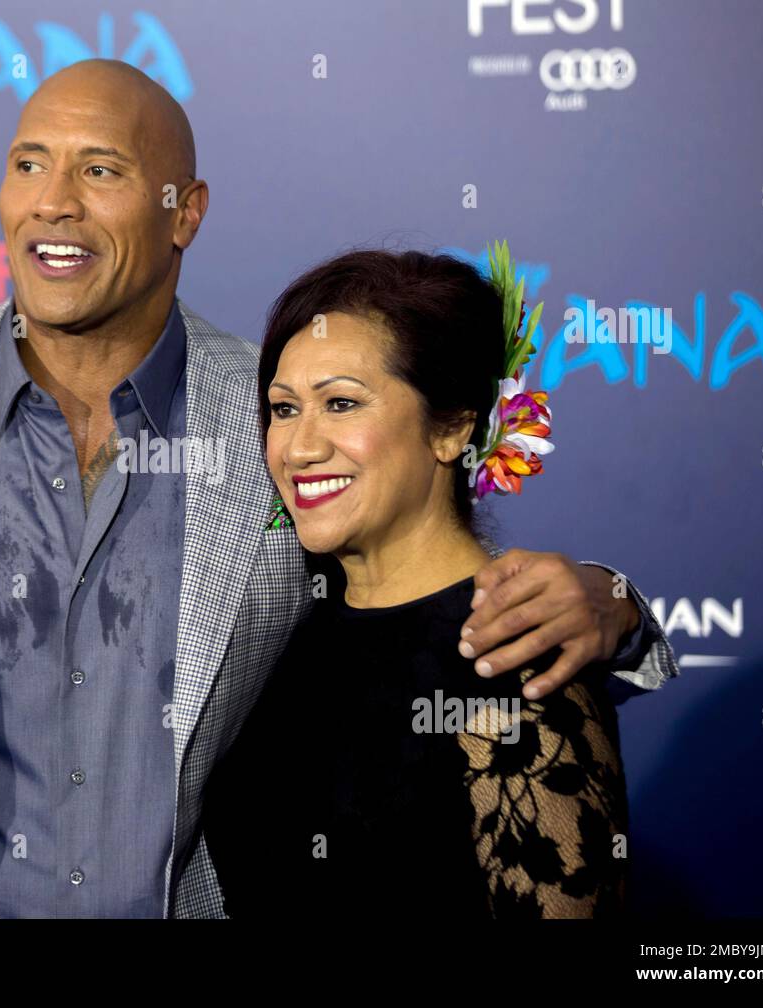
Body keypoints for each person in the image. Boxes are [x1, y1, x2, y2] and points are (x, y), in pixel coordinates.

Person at [0, 59, 674, 919]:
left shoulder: (279, 424)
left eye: (99, 170)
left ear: (182, 211)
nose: (51, 201)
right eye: (29, 164)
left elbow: (420, 602)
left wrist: (612, 606)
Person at [202, 248, 629, 917]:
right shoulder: (293, 620)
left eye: (341, 403)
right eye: (283, 410)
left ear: (453, 426)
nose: (300, 447)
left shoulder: (517, 646)